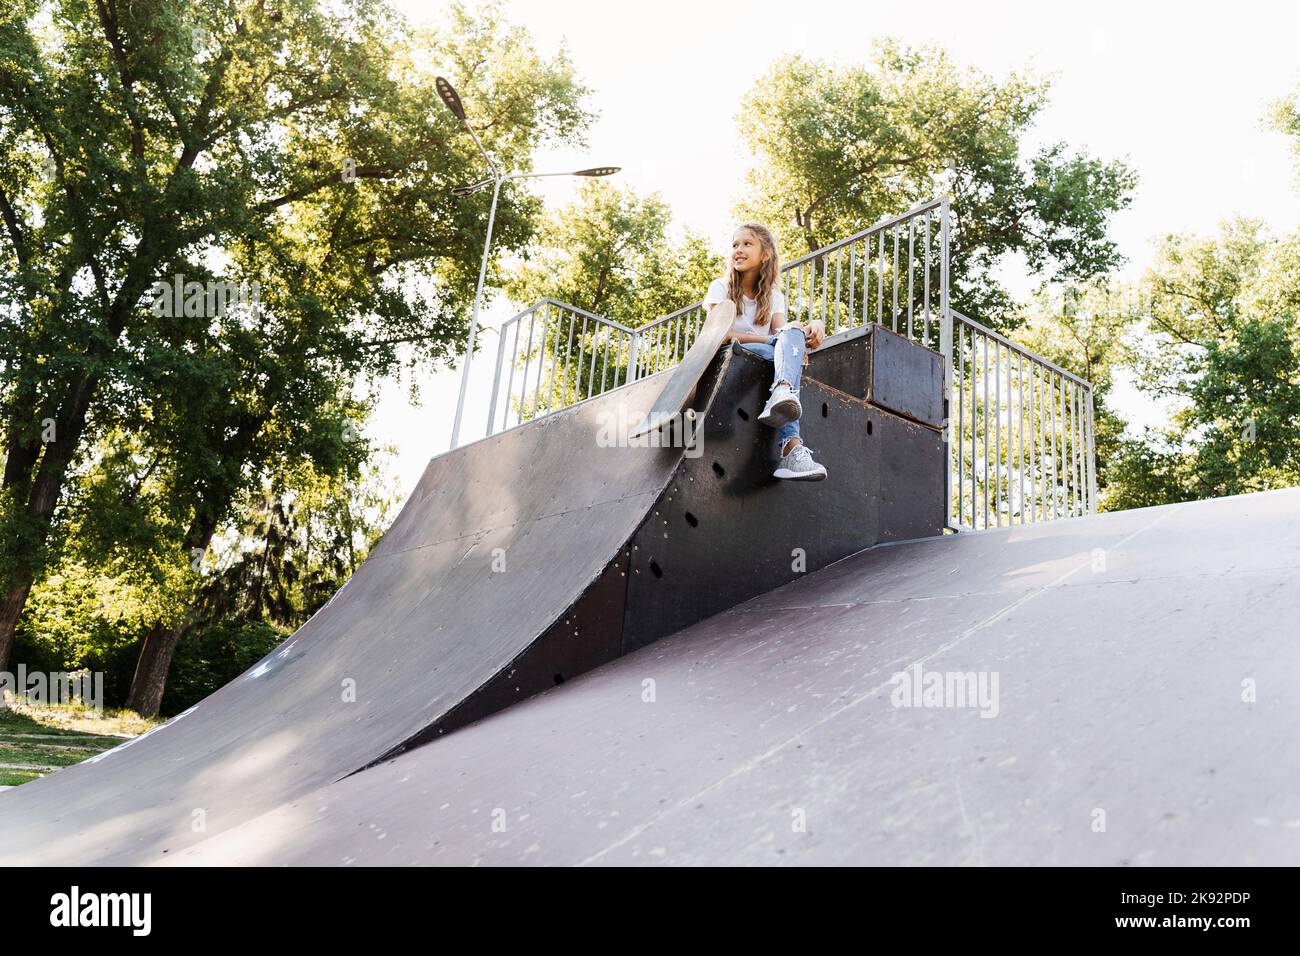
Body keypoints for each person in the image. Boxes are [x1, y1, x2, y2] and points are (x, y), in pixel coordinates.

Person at [702, 222, 828, 481]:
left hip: (765, 357)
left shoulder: (773, 296)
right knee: (785, 344)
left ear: (766, 254)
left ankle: (783, 395)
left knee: (789, 337)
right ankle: (790, 444)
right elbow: (719, 335)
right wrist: (783, 343)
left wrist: (812, 329)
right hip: (729, 356)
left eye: (747, 244)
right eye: (735, 245)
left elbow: (785, 333)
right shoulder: (720, 287)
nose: (738, 250)